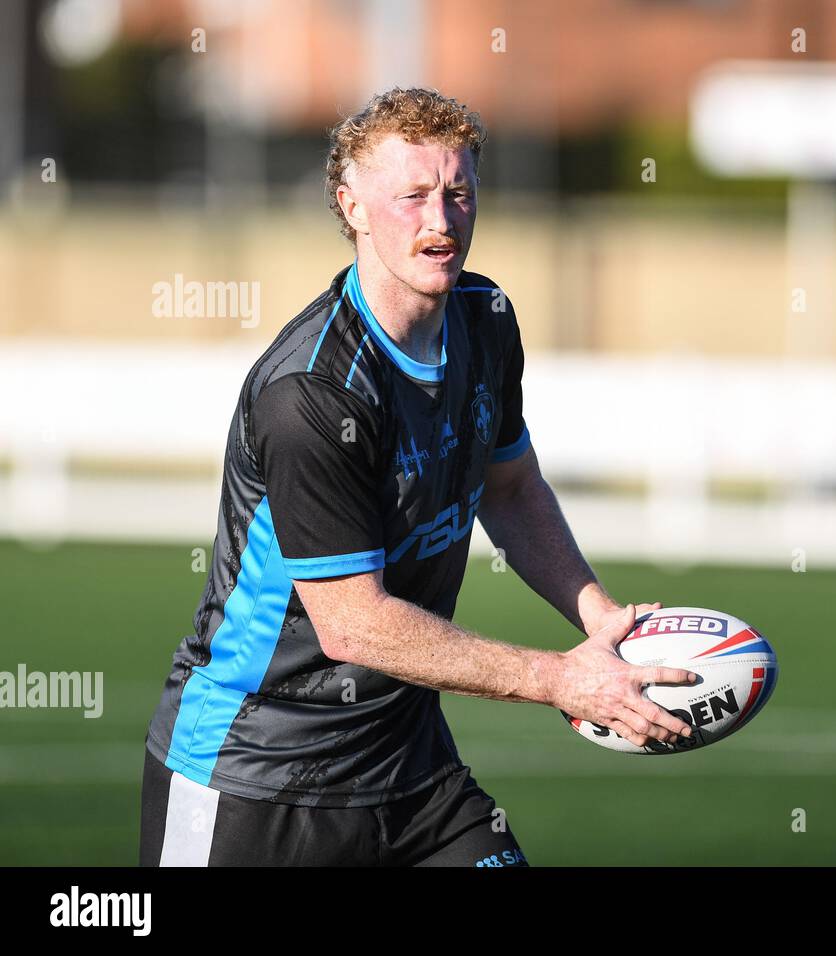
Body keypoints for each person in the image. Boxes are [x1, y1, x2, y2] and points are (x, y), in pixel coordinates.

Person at [139, 87, 695, 867]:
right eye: (413, 197)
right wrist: (559, 680)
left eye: (458, 193)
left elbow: (511, 487)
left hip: (411, 773)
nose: (441, 221)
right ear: (352, 205)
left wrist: (598, 616)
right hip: (254, 780)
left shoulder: (486, 319)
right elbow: (354, 626)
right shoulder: (314, 393)